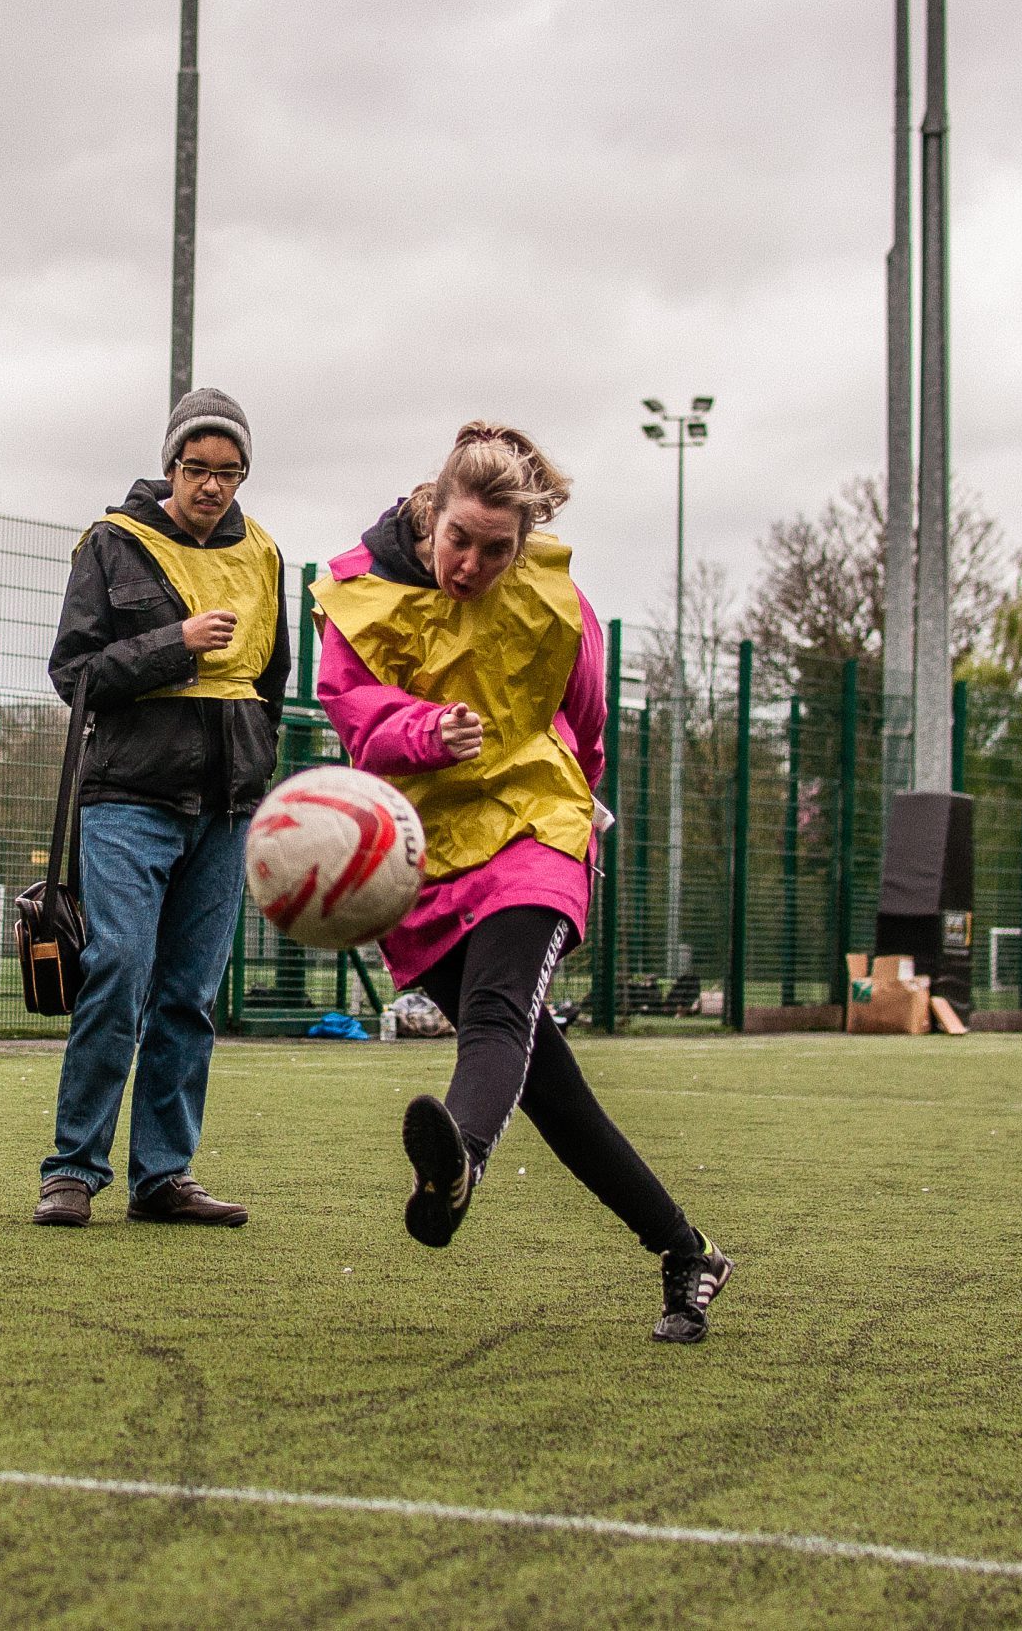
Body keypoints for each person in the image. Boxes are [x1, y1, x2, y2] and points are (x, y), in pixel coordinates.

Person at [311, 422, 731, 1343]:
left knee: (498, 1017)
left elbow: (586, 725)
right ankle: (685, 1250)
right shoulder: (362, 590)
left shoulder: (553, 599)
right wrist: (426, 730)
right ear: (434, 509)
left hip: (536, 833)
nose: (471, 562)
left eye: (497, 549)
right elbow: (351, 715)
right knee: (551, 1088)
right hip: (424, 856)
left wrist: (580, 816)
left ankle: (459, 1158)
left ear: (523, 540)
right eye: (460, 538)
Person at [33, 386, 289, 1227]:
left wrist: (259, 772)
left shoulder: (267, 556)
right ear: (170, 464)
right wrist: (171, 645)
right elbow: (75, 673)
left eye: (230, 471)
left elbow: (271, 685)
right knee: (118, 970)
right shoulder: (113, 545)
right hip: (129, 798)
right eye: (197, 467)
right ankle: (72, 1167)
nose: (213, 485)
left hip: (228, 808)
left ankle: (163, 1175)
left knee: (189, 994)